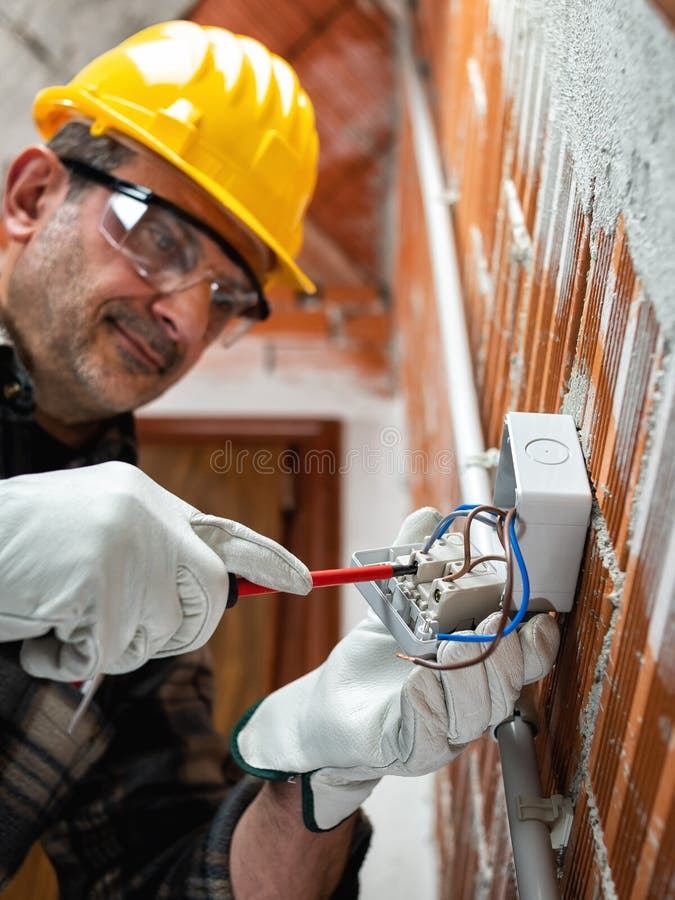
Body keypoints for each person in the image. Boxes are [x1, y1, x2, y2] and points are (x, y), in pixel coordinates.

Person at [0, 20, 560, 899]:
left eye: (226, 294)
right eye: (160, 237)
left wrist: (319, 778)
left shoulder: (144, 603)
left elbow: (169, 882)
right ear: (33, 196)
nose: (184, 315)